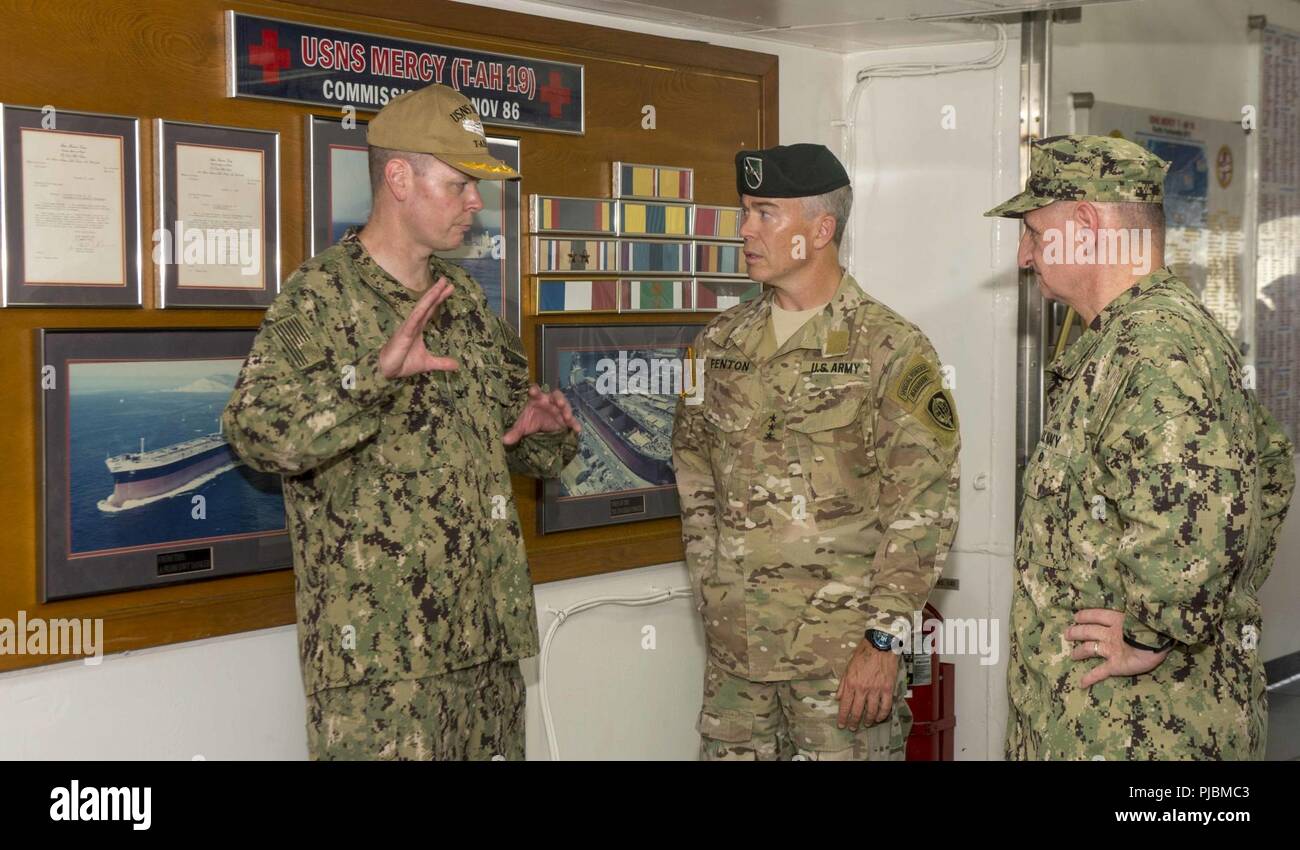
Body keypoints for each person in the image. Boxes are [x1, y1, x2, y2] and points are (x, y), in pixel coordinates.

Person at [222, 84, 580, 760]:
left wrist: (542, 433)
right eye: (459, 183)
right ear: (398, 178)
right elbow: (253, 433)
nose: (475, 202)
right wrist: (371, 377)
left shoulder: (466, 299)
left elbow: (523, 441)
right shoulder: (321, 297)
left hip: (486, 649)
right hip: (382, 670)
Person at [987, 134, 1295, 760]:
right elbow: (1272, 467)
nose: (1024, 255)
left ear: (1084, 223)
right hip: (1107, 722)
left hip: (1145, 731)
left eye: (1033, 233)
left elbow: (1202, 523)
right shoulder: (1130, 335)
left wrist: (1157, 630)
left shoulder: (1156, 345)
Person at [671, 143, 961, 760]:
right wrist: (710, 576)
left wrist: (884, 644)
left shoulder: (891, 348)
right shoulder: (717, 344)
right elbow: (692, 466)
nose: (745, 229)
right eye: (745, 212)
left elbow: (924, 507)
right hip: (737, 659)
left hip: (842, 664)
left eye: (765, 213)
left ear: (821, 229)